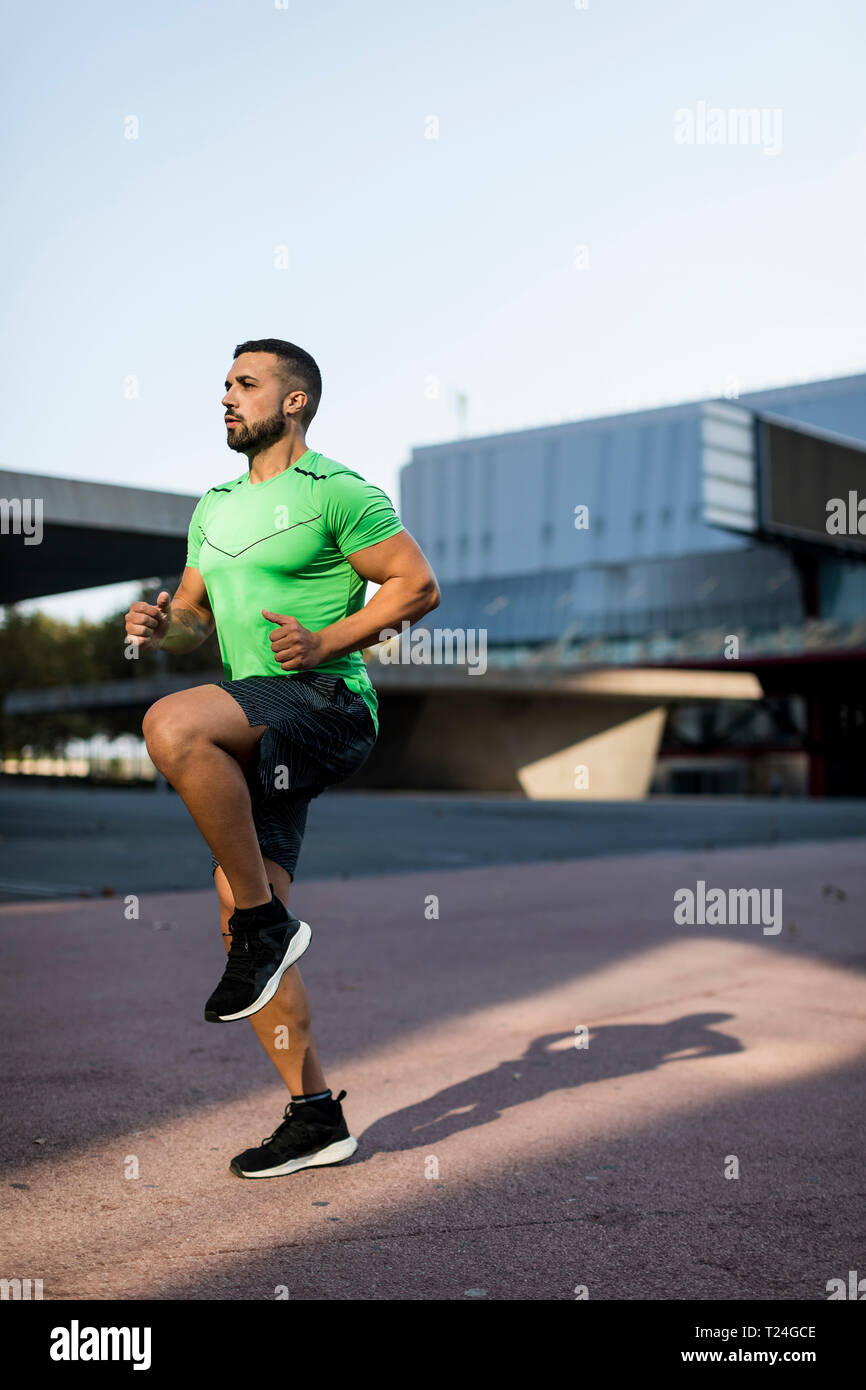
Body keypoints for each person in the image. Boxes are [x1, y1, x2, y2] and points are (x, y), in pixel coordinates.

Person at [125, 338, 439, 1178]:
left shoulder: (335, 490)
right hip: (264, 725)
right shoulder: (214, 506)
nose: (227, 396)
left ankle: (269, 929)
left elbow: (416, 584)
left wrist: (327, 639)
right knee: (237, 907)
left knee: (174, 727)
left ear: (293, 401)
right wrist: (164, 626)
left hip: (327, 704)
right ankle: (315, 1117)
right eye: (225, 384)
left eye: (246, 384)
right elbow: (194, 613)